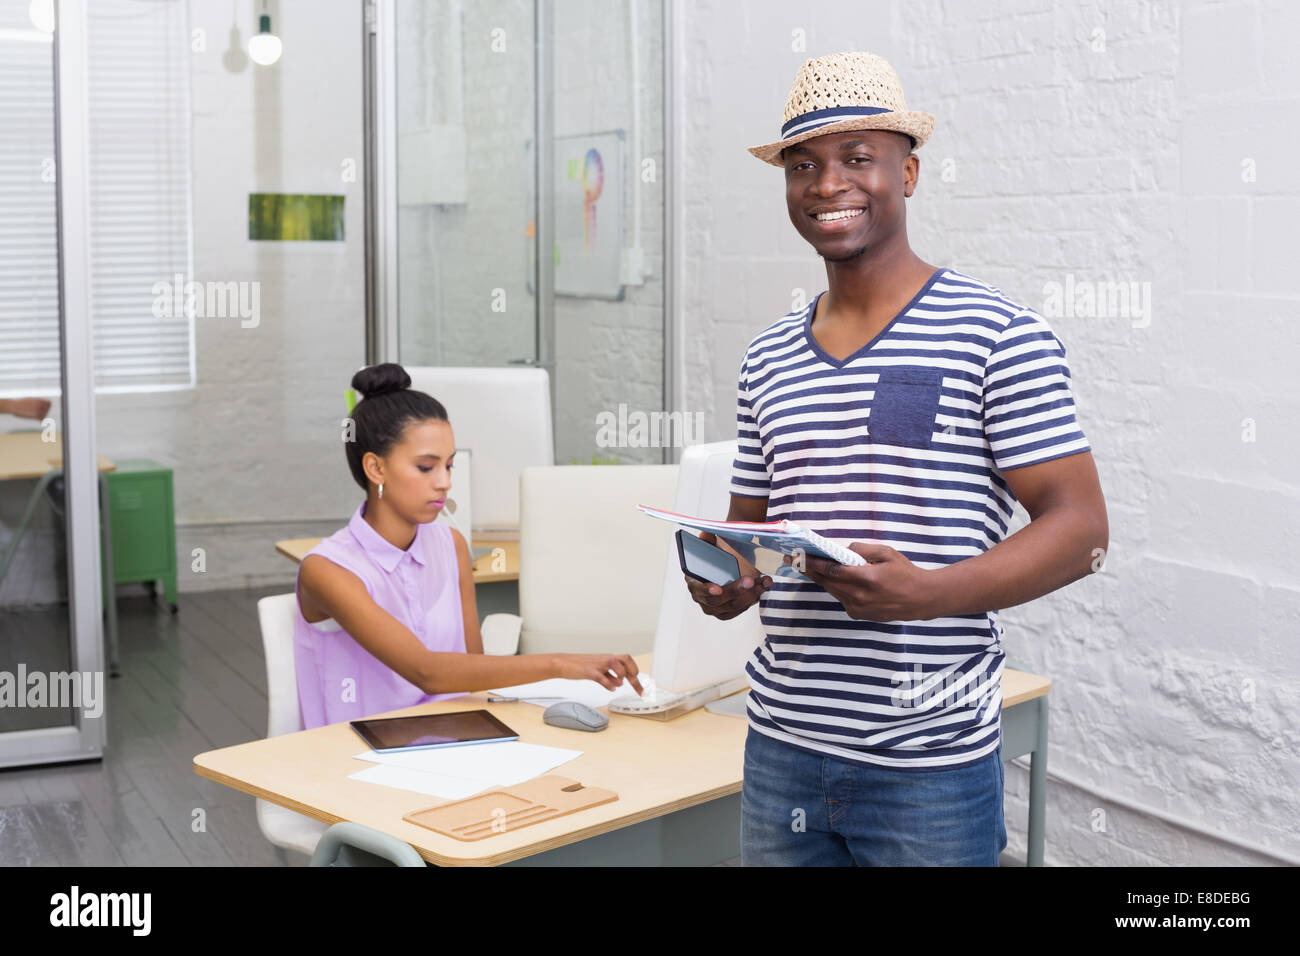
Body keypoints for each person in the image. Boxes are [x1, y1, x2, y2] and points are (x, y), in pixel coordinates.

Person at [687, 52, 1108, 866]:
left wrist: (928, 594)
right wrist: (723, 577)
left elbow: (1082, 527)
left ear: (907, 173)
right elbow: (746, 534)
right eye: (803, 165)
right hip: (780, 751)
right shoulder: (767, 356)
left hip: (930, 768)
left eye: (857, 158)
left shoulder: (997, 334)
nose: (826, 184)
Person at [294, 362, 641, 730]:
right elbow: (427, 672)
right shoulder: (328, 570)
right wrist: (559, 665)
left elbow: (472, 669)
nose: (444, 482)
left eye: (449, 466)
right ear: (376, 469)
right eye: (427, 468)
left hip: (456, 740)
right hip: (354, 760)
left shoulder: (450, 545)